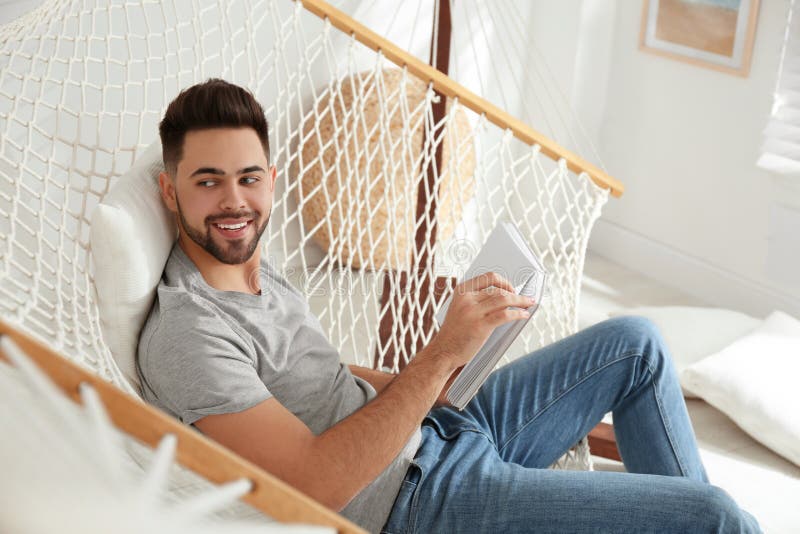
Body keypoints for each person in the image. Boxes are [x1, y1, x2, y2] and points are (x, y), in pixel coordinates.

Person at [136, 78, 760, 534]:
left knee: (637, 344)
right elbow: (312, 484)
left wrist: (431, 378)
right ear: (170, 189)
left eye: (247, 178)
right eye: (207, 180)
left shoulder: (251, 262)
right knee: (717, 518)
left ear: (270, 179)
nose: (233, 201)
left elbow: (313, 379)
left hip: (432, 431)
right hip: (418, 501)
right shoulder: (189, 331)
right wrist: (439, 356)